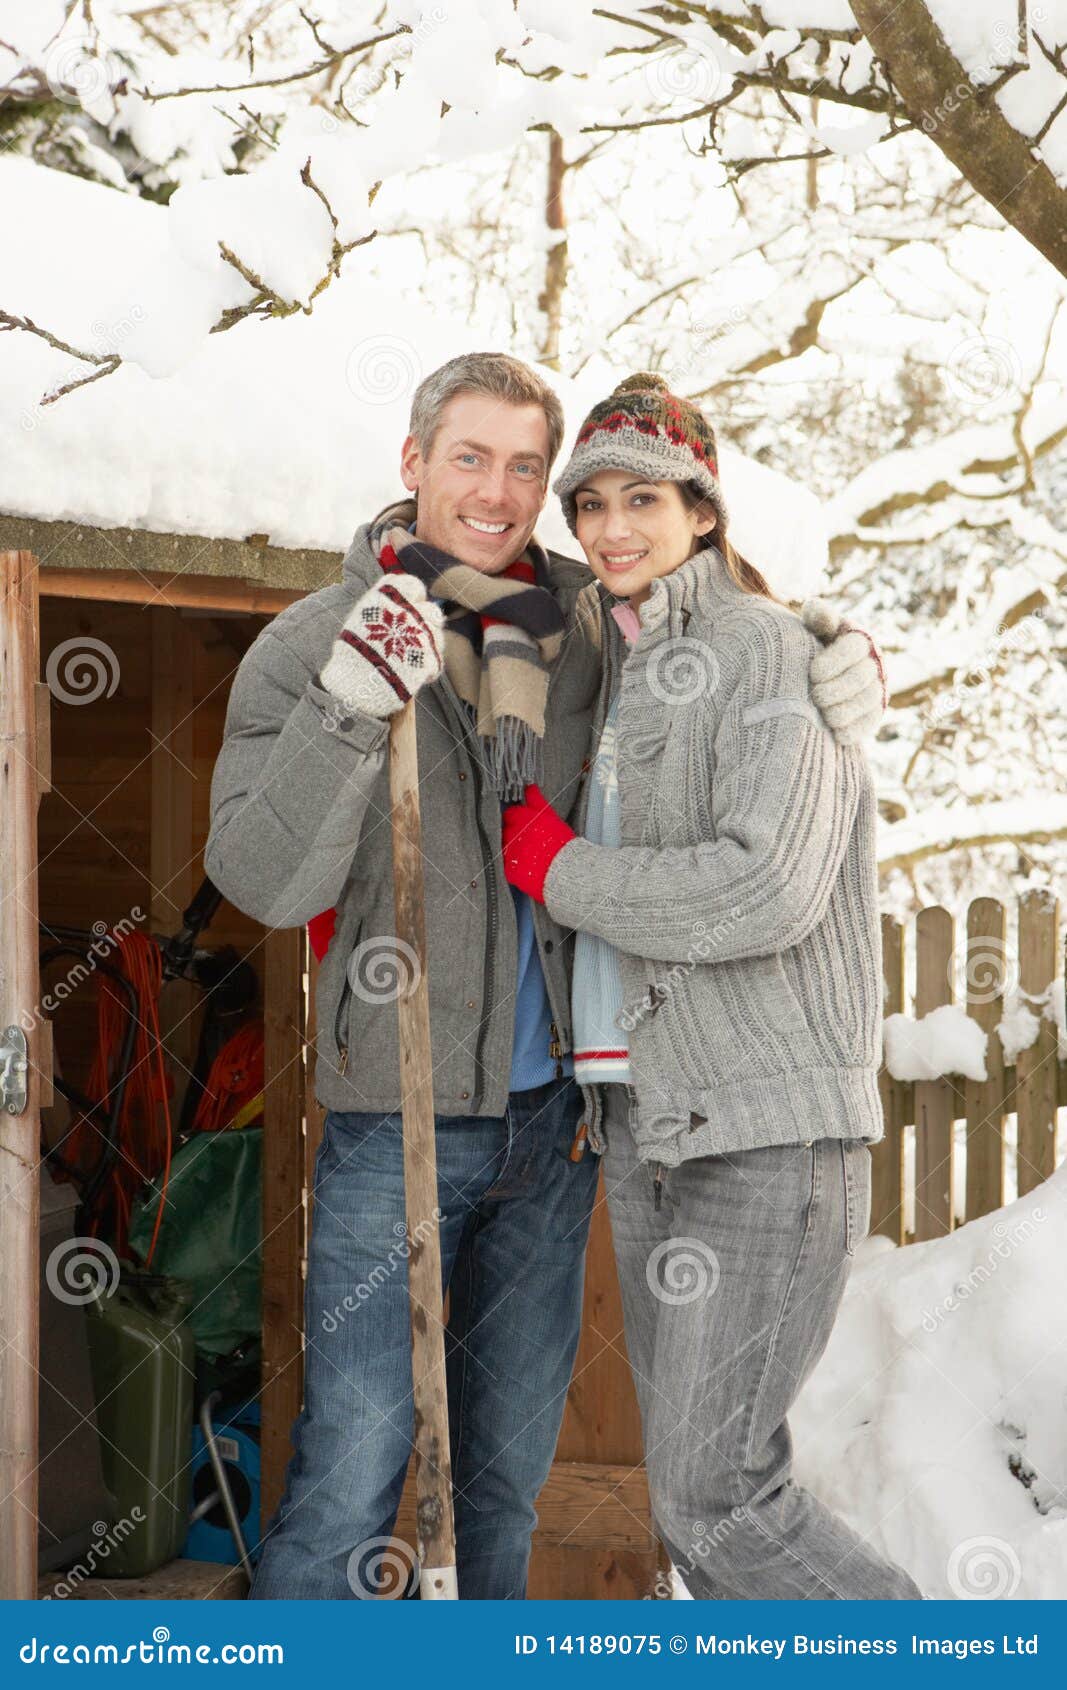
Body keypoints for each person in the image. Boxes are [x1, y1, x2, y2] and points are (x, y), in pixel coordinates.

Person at [205, 353, 886, 1600]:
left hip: (561, 1130)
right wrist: (348, 710)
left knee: (505, 1478)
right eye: (469, 456)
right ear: (412, 463)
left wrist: (832, 653)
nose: (498, 489)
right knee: (355, 1465)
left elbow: (728, 638)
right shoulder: (310, 641)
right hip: (391, 1121)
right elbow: (260, 874)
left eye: (527, 466)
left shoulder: (588, 627)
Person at [501, 372, 922, 1600]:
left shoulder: (762, 652)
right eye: (590, 504)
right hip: (643, 1121)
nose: (612, 526)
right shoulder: (611, 654)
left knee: (718, 1500)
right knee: (693, 1504)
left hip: (766, 1129)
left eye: (643, 496)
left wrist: (560, 869)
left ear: (701, 508)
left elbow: (764, 889)